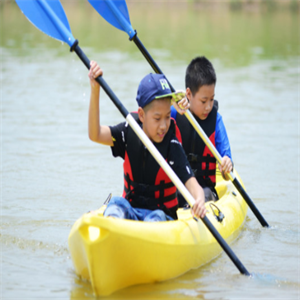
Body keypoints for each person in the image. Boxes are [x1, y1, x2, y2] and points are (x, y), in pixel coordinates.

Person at [88, 61, 206, 222]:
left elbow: (193, 184)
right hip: (131, 210)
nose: (164, 125)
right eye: (157, 118)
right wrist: (95, 90)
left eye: (167, 117)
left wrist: (199, 200)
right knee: (116, 203)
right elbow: (95, 134)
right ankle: (112, 227)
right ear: (142, 115)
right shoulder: (129, 130)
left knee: (156, 216)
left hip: (161, 215)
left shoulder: (171, 145)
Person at [172, 56, 233, 205]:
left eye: (212, 99)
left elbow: (227, 171)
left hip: (205, 190)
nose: (208, 107)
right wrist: (171, 102)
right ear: (188, 94)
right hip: (179, 186)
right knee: (175, 195)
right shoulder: (173, 113)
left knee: (204, 195)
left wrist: (226, 165)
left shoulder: (216, 121)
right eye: (203, 101)